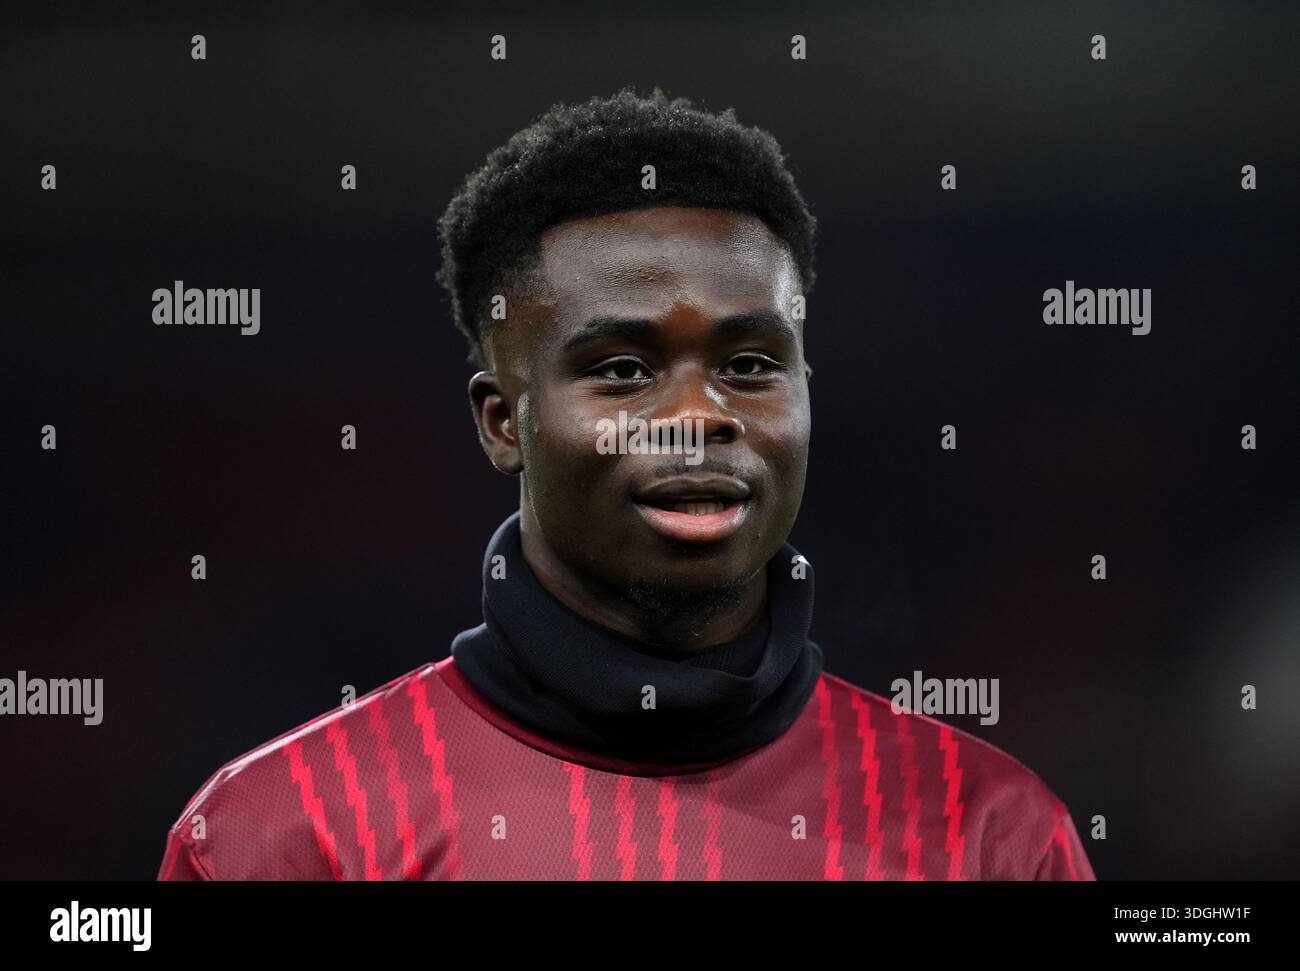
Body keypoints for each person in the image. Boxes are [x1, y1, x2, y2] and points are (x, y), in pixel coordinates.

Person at [158, 87, 1094, 880]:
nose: (700, 413)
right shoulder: (285, 838)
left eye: (754, 364)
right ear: (501, 421)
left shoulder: (994, 835)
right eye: (620, 370)